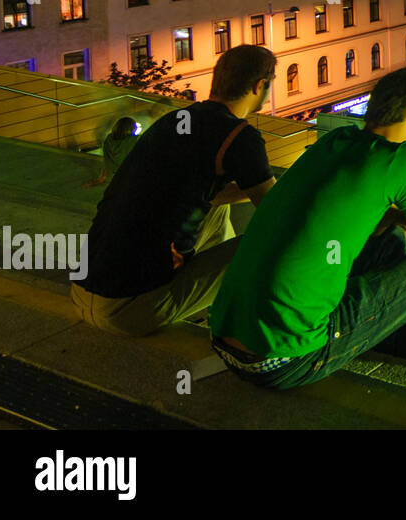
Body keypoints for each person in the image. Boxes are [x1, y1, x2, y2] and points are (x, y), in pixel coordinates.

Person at [208, 67, 406, 391]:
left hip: (227, 340)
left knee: (388, 239)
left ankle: (401, 348)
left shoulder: (336, 141)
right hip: (283, 359)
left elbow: (359, 202)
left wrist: (402, 191)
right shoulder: (403, 161)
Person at [71, 45, 278, 336]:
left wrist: (246, 190)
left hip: (83, 291)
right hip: (129, 308)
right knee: (269, 243)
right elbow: (279, 213)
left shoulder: (174, 122)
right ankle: (243, 329)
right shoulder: (239, 136)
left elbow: (205, 193)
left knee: (217, 209)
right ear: (260, 86)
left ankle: (208, 305)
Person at [81, 116, 140, 188]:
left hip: (113, 169)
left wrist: (101, 178)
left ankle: (102, 179)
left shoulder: (109, 138)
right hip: (128, 171)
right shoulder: (133, 140)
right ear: (131, 129)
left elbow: (106, 158)